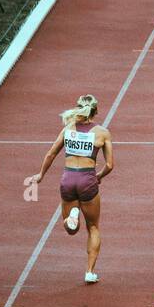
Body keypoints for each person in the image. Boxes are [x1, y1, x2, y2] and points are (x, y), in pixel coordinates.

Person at [31, 95, 114, 284]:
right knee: (93, 227)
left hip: (68, 179)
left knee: (71, 230)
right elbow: (110, 165)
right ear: (96, 111)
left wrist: (41, 175)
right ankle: (89, 272)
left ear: (78, 109)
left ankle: (73, 214)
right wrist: (98, 177)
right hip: (87, 179)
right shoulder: (102, 132)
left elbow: (51, 153)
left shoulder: (68, 129)